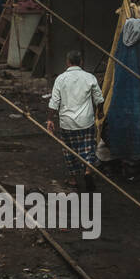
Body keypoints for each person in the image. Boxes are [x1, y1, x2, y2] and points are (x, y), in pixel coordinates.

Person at [46, 49, 105, 192]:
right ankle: (88, 172)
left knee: (69, 151)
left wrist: (50, 119)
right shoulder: (89, 77)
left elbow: (54, 102)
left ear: (67, 62)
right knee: (88, 148)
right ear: (81, 62)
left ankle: (73, 179)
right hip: (86, 121)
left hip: (67, 123)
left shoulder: (60, 79)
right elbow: (99, 99)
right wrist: (100, 112)